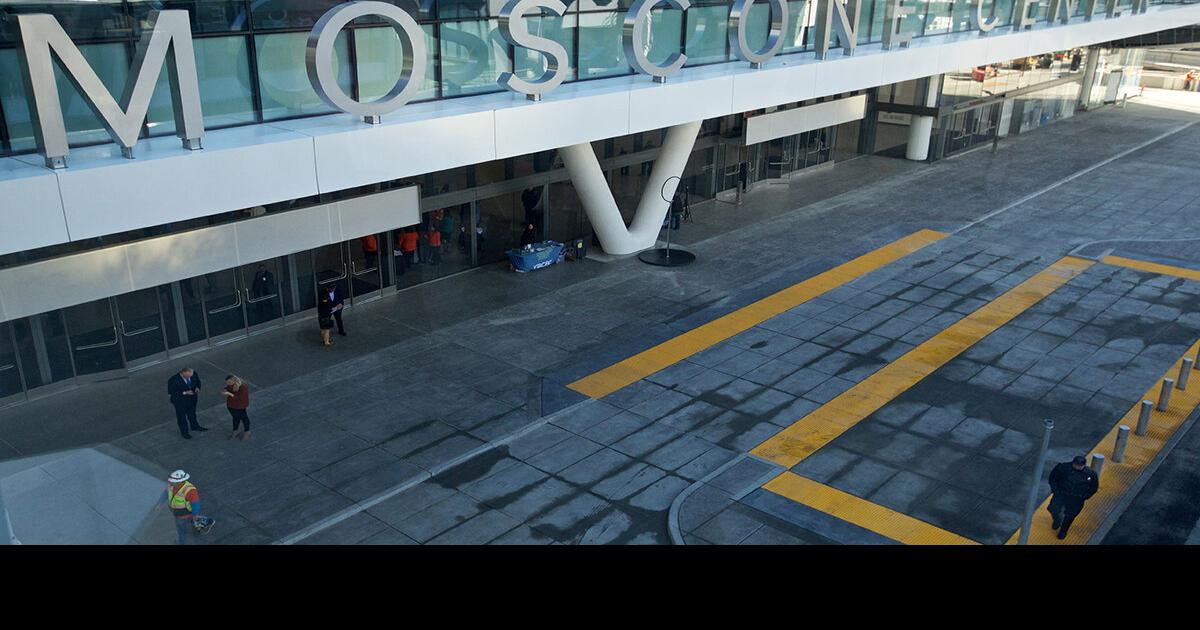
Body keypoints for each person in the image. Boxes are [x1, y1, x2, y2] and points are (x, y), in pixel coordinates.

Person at [1047, 455, 1099, 540]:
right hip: (1061, 495)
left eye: (1080, 465)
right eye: (1076, 465)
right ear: (1073, 463)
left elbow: (1094, 487)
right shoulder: (1063, 468)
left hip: (1076, 499)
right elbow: (1052, 478)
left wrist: (1084, 497)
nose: (1078, 467)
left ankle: (1063, 531)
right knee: (1053, 508)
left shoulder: (1090, 474)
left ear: (1084, 465)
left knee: (1070, 516)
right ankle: (1057, 519)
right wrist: (1056, 491)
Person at [164, 470, 214, 544]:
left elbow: (195, 504)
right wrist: (160, 503)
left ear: (180, 482)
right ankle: (207, 521)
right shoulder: (171, 485)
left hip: (183, 514)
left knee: (181, 530)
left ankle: (181, 543)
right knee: (192, 519)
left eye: (173, 481)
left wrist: (195, 514)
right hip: (178, 511)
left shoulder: (190, 491)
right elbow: (166, 492)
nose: (170, 482)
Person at [167, 367, 206, 439]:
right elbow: (172, 393)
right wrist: (185, 392)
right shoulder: (173, 380)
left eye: (190, 376)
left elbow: (197, 381)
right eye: (188, 376)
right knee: (181, 417)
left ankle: (195, 426)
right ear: (183, 373)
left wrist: (198, 387)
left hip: (192, 399)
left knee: (192, 413)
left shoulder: (193, 374)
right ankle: (184, 433)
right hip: (180, 401)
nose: (190, 377)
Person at [222, 374, 251, 440]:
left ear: (234, 381)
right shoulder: (230, 385)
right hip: (232, 405)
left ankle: (247, 432)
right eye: (227, 382)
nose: (228, 384)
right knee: (235, 418)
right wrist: (225, 389)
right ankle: (235, 430)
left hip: (240, 406)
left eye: (229, 382)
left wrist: (229, 394)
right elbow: (228, 388)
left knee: (244, 418)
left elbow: (240, 398)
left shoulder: (242, 388)